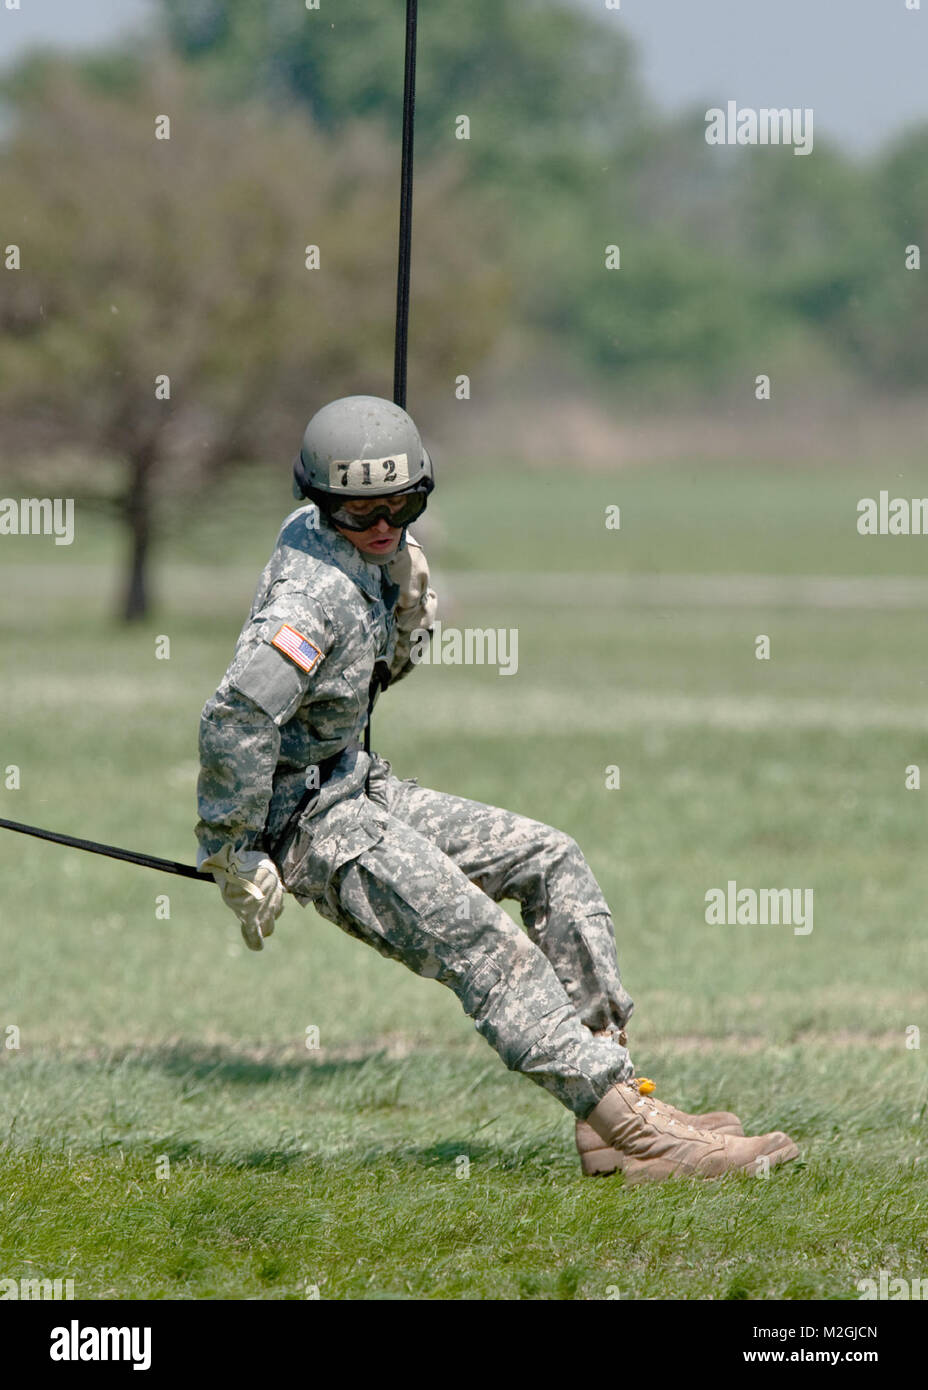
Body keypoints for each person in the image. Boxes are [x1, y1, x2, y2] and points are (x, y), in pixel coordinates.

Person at [196, 395, 799, 1183]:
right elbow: (234, 713)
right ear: (319, 501)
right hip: (311, 825)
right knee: (484, 945)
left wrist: (405, 617)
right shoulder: (309, 599)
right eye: (358, 510)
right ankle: (643, 1138)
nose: (382, 524)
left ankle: (615, 1113)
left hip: (354, 785)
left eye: (404, 504)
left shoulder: (357, 552)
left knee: (553, 859)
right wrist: (231, 849)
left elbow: (355, 687)